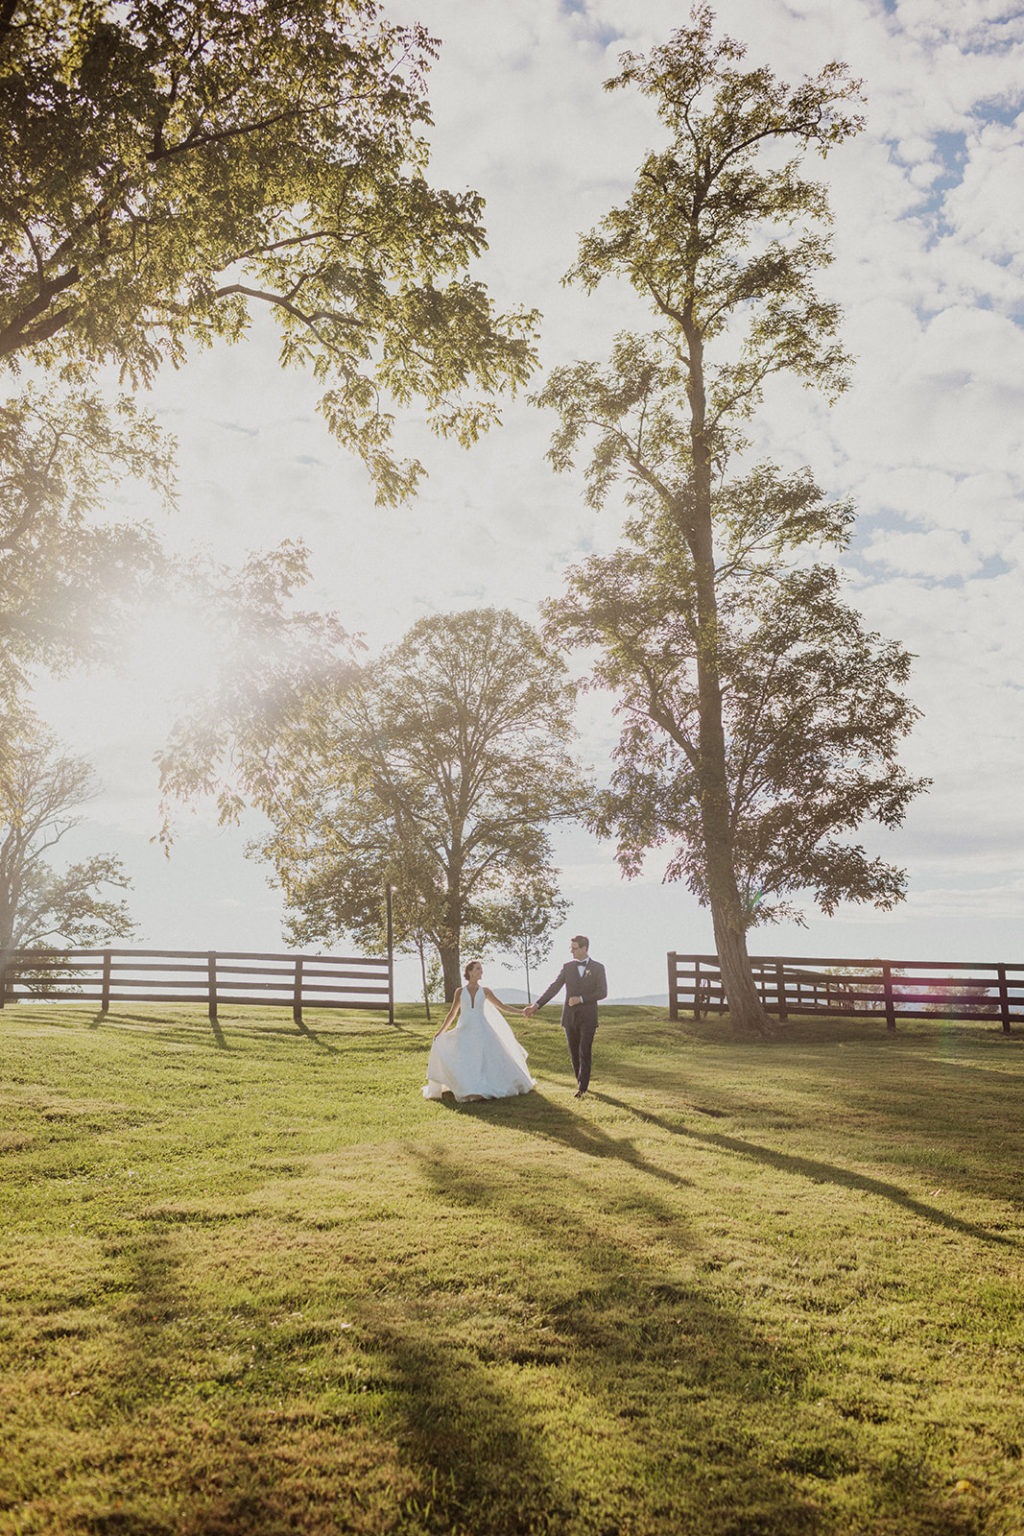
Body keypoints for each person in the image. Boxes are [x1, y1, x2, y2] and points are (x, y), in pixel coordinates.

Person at [422, 961, 536, 1103]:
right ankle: (468, 1085)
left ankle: (484, 1085)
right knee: (466, 1059)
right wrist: (441, 1031)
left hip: (482, 1029)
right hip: (465, 1029)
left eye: (481, 969)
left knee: (485, 1058)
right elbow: (452, 1013)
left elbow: (502, 1006)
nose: (481, 971)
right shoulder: (459, 991)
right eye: (478, 969)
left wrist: (521, 1011)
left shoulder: (486, 991)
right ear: (469, 971)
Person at [524, 935, 607, 1098]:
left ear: (584, 948)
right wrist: (536, 1006)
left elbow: (602, 992)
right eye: (571, 948)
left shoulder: (598, 968)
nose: (571, 951)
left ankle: (583, 1088)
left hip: (588, 1017)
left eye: (574, 948)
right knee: (574, 1052)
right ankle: (580, 1082)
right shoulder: (567, 967)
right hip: (569, 1018)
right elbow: (554, 987)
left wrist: (581, 999)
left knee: (585, 1050)